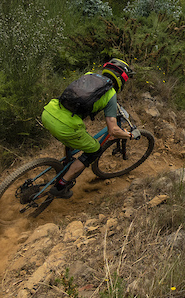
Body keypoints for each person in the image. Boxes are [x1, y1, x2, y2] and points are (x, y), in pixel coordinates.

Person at [40, 58, 134, 198]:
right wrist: (129, 135)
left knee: (73, 134)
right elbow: (113, 130)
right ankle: (61, 186)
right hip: (66, 126)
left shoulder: (88, 75)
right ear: (122, 79)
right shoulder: (110, 94)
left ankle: (67, 160)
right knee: (94, 150)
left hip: (49, 112)